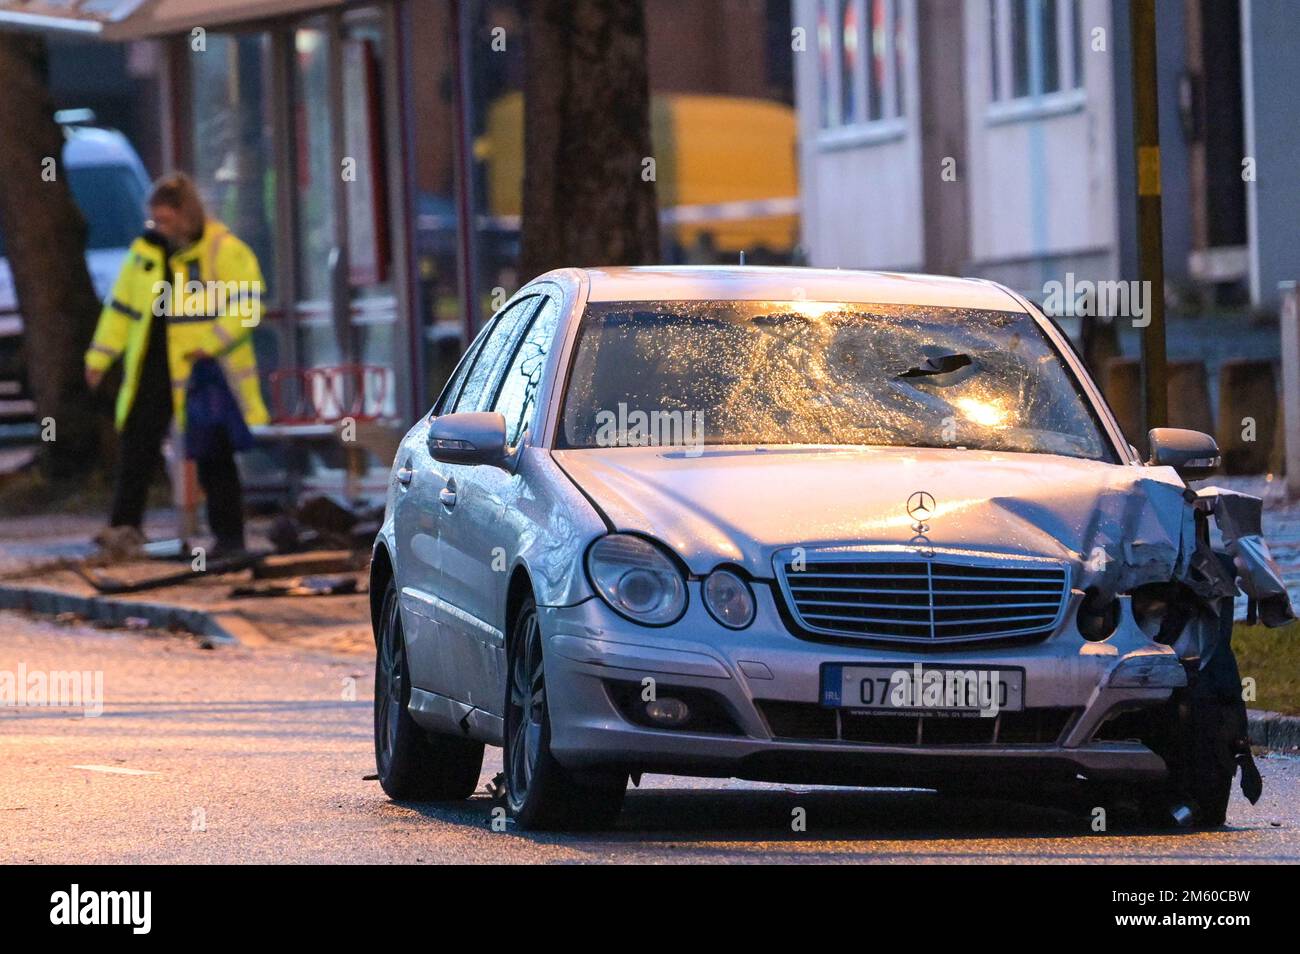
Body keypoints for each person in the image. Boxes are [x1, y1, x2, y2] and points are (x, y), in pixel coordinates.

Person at [85, 173, 269, 559]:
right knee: (137, 445)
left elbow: (248, 305)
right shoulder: (145, 254)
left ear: (186, 216)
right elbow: (120, 310)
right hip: (153, 368)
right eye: (154, 220)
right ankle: (124, 529)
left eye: (166, 220)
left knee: (213, 455)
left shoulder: (223, 250)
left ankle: (229, 540)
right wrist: (99, 359)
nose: (158, 228)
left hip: (204, 373)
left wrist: (209, 345)